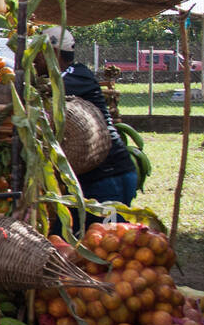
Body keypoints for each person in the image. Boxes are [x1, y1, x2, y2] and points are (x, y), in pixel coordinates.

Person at [41, 26, 138, 208]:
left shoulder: (77, 74)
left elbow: (48, 89)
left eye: (37, 53)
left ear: (52, 52)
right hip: (87, 177)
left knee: (107, 234)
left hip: (109, 175)